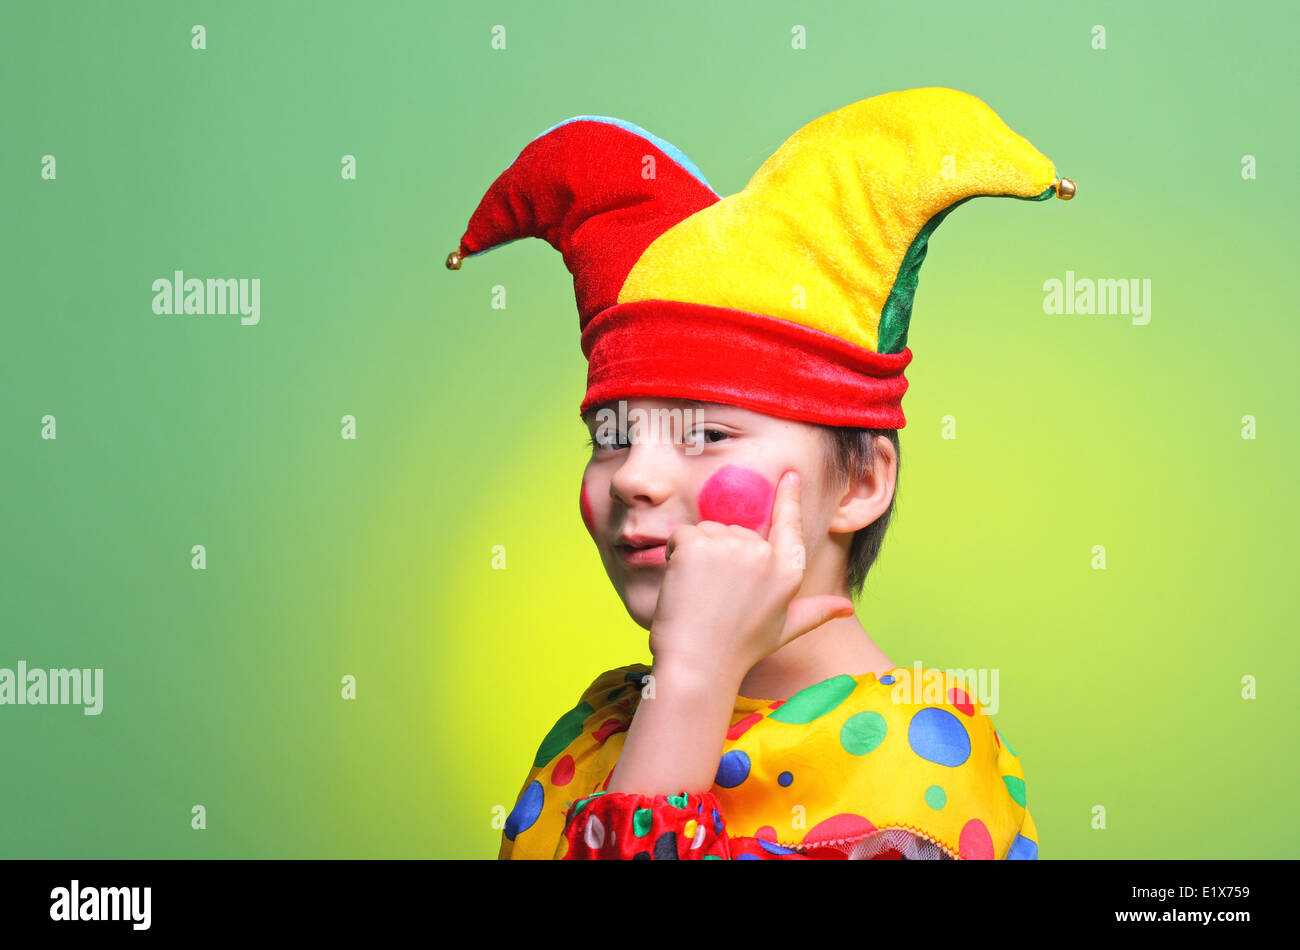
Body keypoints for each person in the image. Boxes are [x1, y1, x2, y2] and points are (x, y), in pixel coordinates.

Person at [447, 87, 1074, 859]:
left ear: (860, 483)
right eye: (609, 435)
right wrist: (683, 688)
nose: (632, 477)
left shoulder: (917, 773)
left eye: (707, 432)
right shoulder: (594, 730)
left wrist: (692, 683)